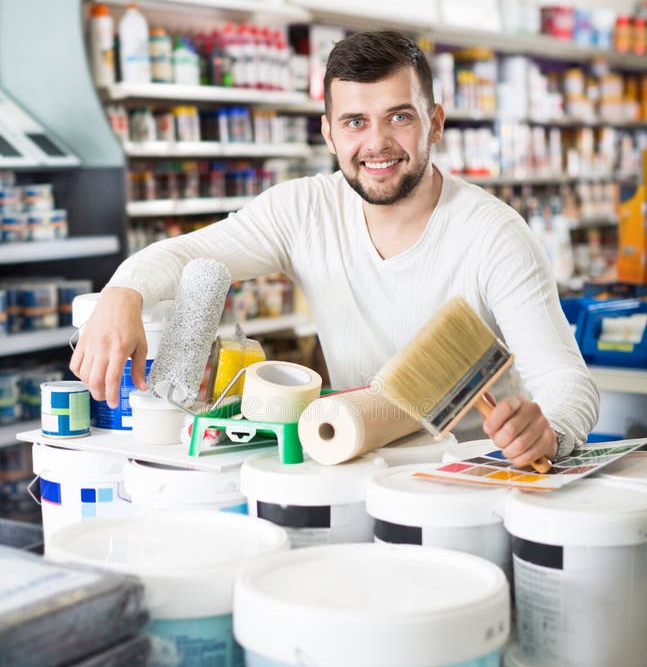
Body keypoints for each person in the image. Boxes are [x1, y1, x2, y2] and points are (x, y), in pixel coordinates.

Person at [71, 29, 599, 467]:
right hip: (352, 465)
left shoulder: (494, 235)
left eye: (399, 116)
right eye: (355, 122)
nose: (377, 143)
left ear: (435, 122)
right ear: (329, 134)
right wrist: (123, 292)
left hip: (471, 481)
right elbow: (184, 256)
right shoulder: (304, 210)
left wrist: (549, 431)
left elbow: (565, 379)